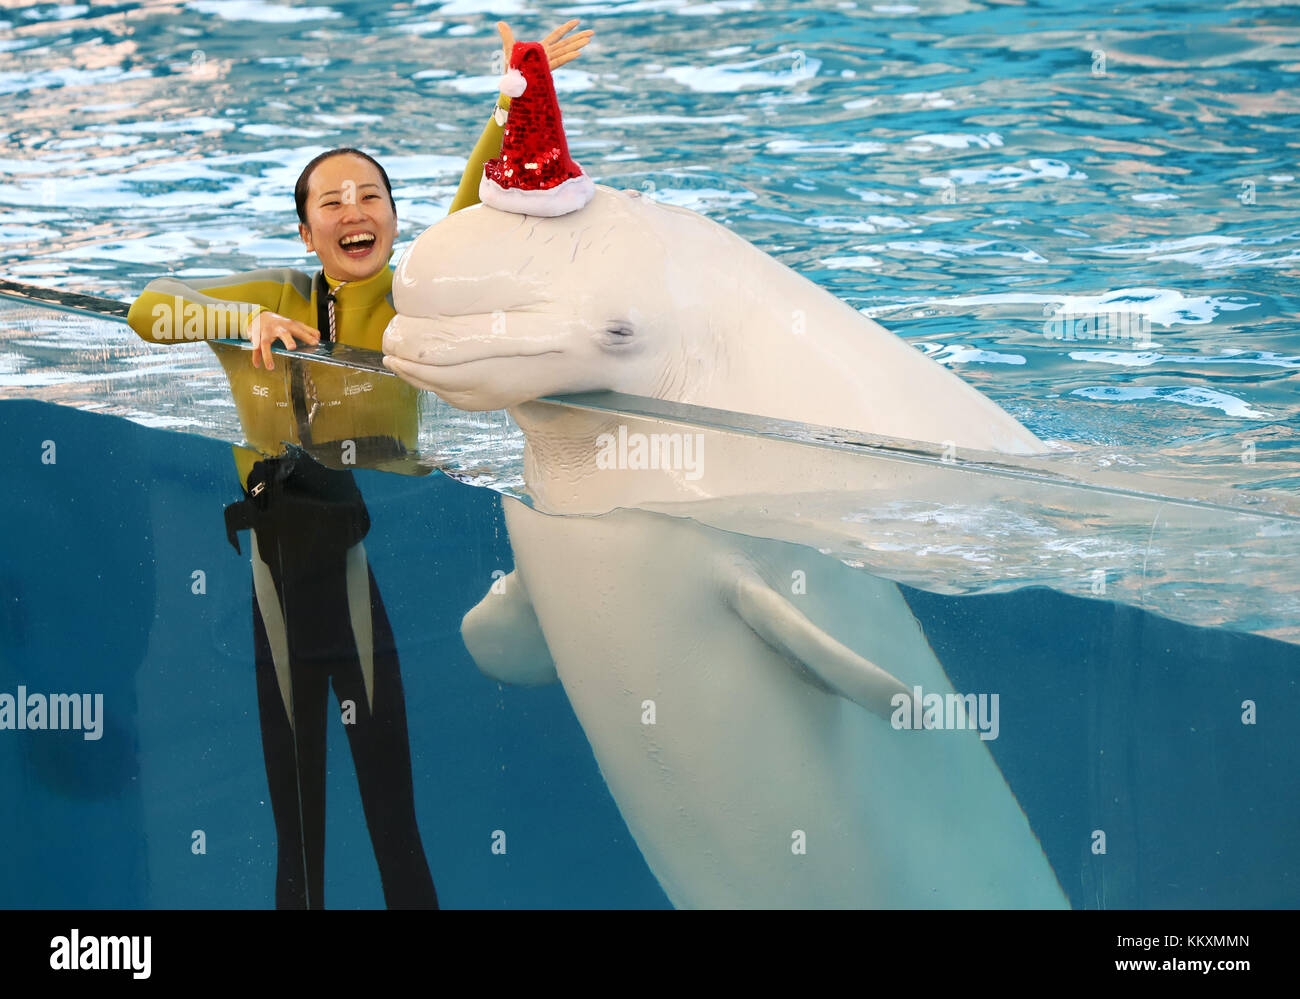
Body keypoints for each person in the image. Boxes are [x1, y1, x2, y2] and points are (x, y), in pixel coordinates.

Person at [125, 20, 594, 909]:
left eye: (370, 194)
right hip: (278, 564)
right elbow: (149, 309)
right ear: (306, 232)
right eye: (331, 200)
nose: (354, 210)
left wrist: (513, 94)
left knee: (393, 806)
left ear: (390, 217)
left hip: (381, 549)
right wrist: (238, 324)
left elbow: (472, 206)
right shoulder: (268, 298)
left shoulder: (409, 298)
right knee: (297, 812)